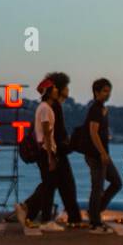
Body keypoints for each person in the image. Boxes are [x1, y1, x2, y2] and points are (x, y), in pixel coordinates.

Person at [15, 73, 69, 232]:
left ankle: (29, 209)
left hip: (46, 151)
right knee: (49, 185)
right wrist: (51, 157)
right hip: (45, 151)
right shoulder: (45, 108)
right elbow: (46, 133)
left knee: (49, 184)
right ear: (48, 91)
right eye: (54, 89)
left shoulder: (45, 108)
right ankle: (41, 217)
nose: (56, 91)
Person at [82, 78, 123, 233]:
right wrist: (102, 153)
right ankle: (95, 223)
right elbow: (93, 132)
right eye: (105, 91)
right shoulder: (95, 109)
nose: (108, 94)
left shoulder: (101, 109)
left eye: (109, 91)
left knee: (116, 183)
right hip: (96, 154)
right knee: (97, 187)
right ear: (96, 92)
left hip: (101, 154)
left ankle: (94, 213)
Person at [48, 74, 85, 228]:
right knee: (65, 185)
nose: (68, 89)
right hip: (57, 151)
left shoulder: (55, 106)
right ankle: (74, 219)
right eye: (66, 86)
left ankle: (74, 218)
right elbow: (54, 132)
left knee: (60, 186)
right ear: (59, 88)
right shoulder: (55, 106)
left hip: (56, 150)